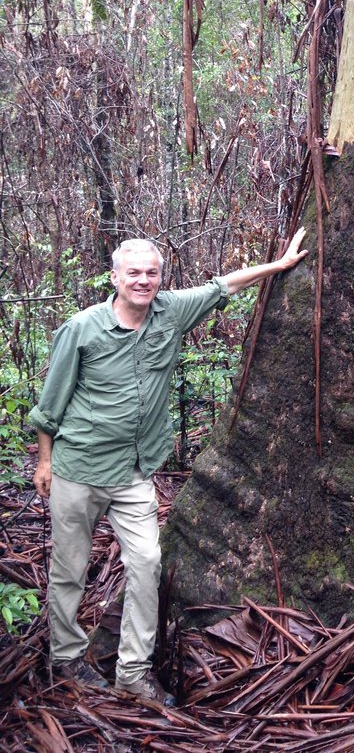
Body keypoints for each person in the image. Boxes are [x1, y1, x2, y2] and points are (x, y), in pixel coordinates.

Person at [30, 230, 307, 704]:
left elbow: (224, 286)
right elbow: (50, 404)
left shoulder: (171, 311)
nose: (143, 281)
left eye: (151, 273)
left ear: (161, 277)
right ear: (115, 278)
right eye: (133, 273)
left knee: (147, 563)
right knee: (69, 569)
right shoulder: (82, 328)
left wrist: (278, 266)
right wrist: (45, 461)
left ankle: (132, 672)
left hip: (134, 471)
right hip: (78, 468)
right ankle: (67, 656)